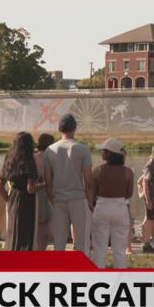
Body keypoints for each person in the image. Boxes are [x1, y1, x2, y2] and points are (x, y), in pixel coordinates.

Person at [44, 114, 94, 256]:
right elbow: (88, 181)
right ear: (74, 128)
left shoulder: (49, 150)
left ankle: (59, 267)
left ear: (59, 129)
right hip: (78, 198)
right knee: (82, 241)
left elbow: (48, 180)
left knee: (59, 242)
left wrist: (51, 197)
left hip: (58, 198)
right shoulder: (83, 149)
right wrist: (90, 201)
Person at [90, 138, 134, 268]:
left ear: (109, 153)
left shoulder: (97, 171)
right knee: (120, 249)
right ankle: (120, 274)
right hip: (120, 208)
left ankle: (99, 274)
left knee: (99, 248)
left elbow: (93, 193)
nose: (101, 153)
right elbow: (129, 194)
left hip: (102, 207)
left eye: (103, 151)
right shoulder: (128, 172)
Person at [0, 132, 38, 251]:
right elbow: (30, 188)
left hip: (13, 196)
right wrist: (42, 185)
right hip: (26, 200)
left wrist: (8, 199)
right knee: (25, 233)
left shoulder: (9, 159)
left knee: (12, 230)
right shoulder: (28, 161)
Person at [34, 133, 55, 250]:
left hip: (38, 193)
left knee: (40, 225)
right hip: (45, 193)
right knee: (44, 225)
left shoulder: (34, 157)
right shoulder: (50, 158)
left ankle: (40, 249)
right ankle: (41, 249)